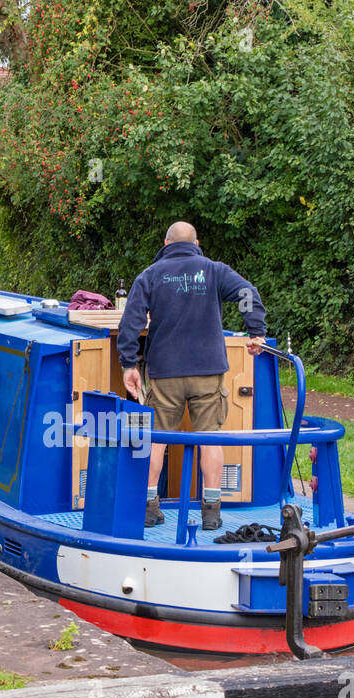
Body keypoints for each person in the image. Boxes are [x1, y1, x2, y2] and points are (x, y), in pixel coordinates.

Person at [117, 221, 267, 531]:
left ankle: (149, 509)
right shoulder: (213, 270)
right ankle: (211, 513)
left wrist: (128, 364)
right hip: (207, 370)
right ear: (196, 242)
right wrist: (256, 331)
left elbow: (130, 320)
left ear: (165, 242)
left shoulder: (150, 275)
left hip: (164, 372)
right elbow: (247, 293)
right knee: (209, 437)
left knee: (156, 438)